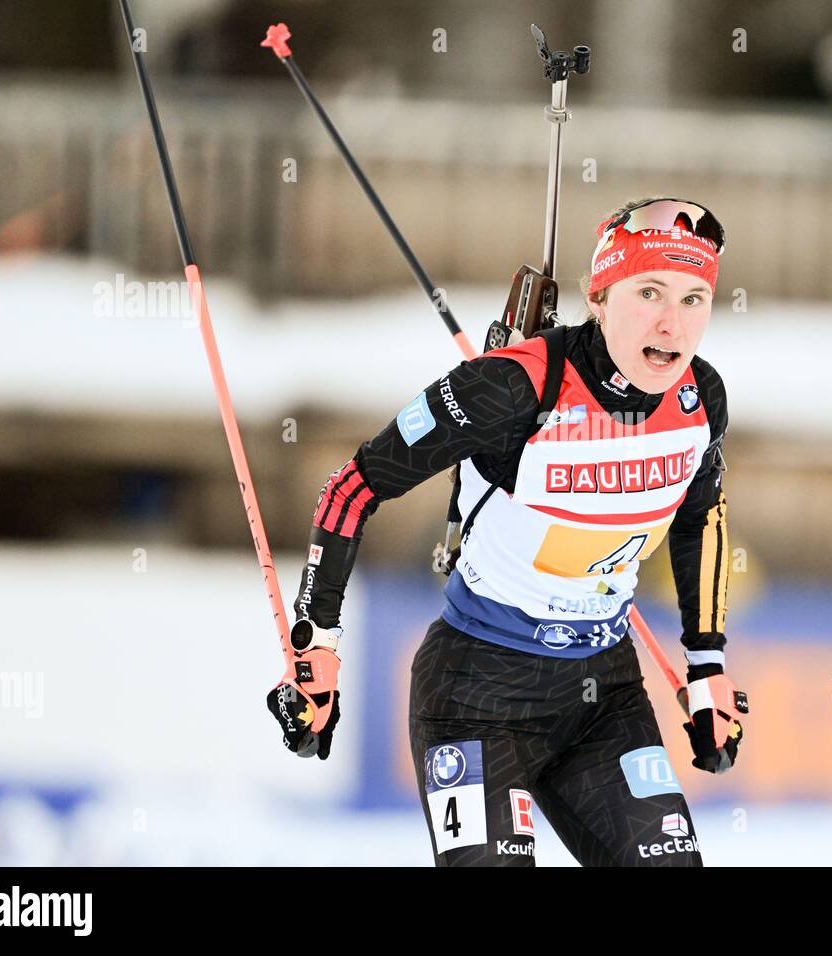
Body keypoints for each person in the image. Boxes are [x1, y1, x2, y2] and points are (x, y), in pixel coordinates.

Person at [267, 197, 745, 866]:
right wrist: (316, 646)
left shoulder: (701, 398)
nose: (673, 321)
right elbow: (353, 487)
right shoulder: (514, 388)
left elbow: (703, 517)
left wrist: (707, 664)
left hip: (603, 700)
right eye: (650, 291)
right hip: (476, 698)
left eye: (695, 298)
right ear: (598, 297)